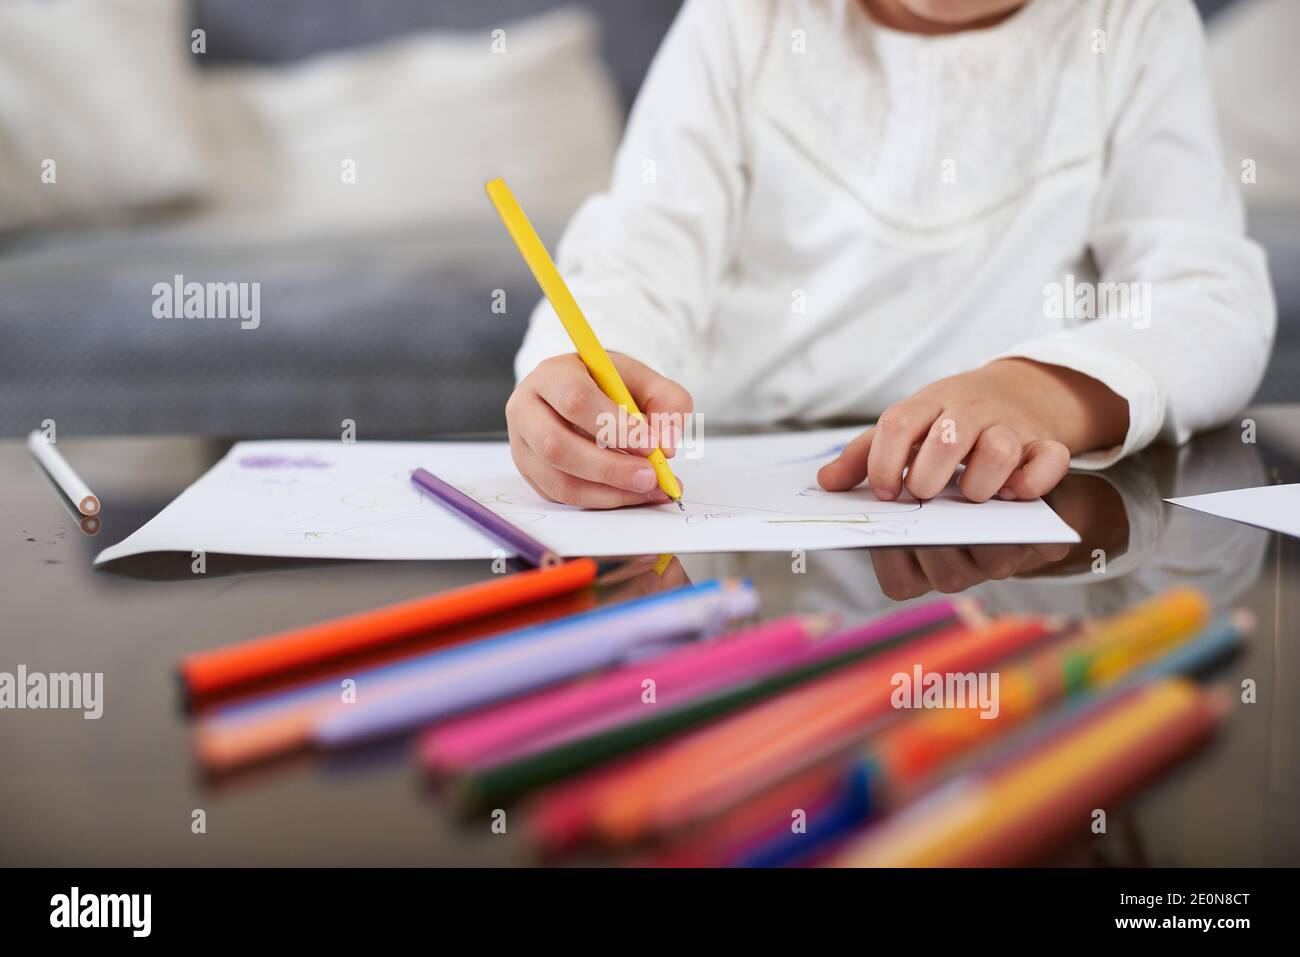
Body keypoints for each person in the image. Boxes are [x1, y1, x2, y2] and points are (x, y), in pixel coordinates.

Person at [506, 0, 1274, 508]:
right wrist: (583, 384)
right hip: (743, 542)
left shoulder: (1131, 20)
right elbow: (638, 256)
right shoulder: (743, 19)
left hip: (1019, 553)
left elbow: (1209, 294)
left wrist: (1045, 392)